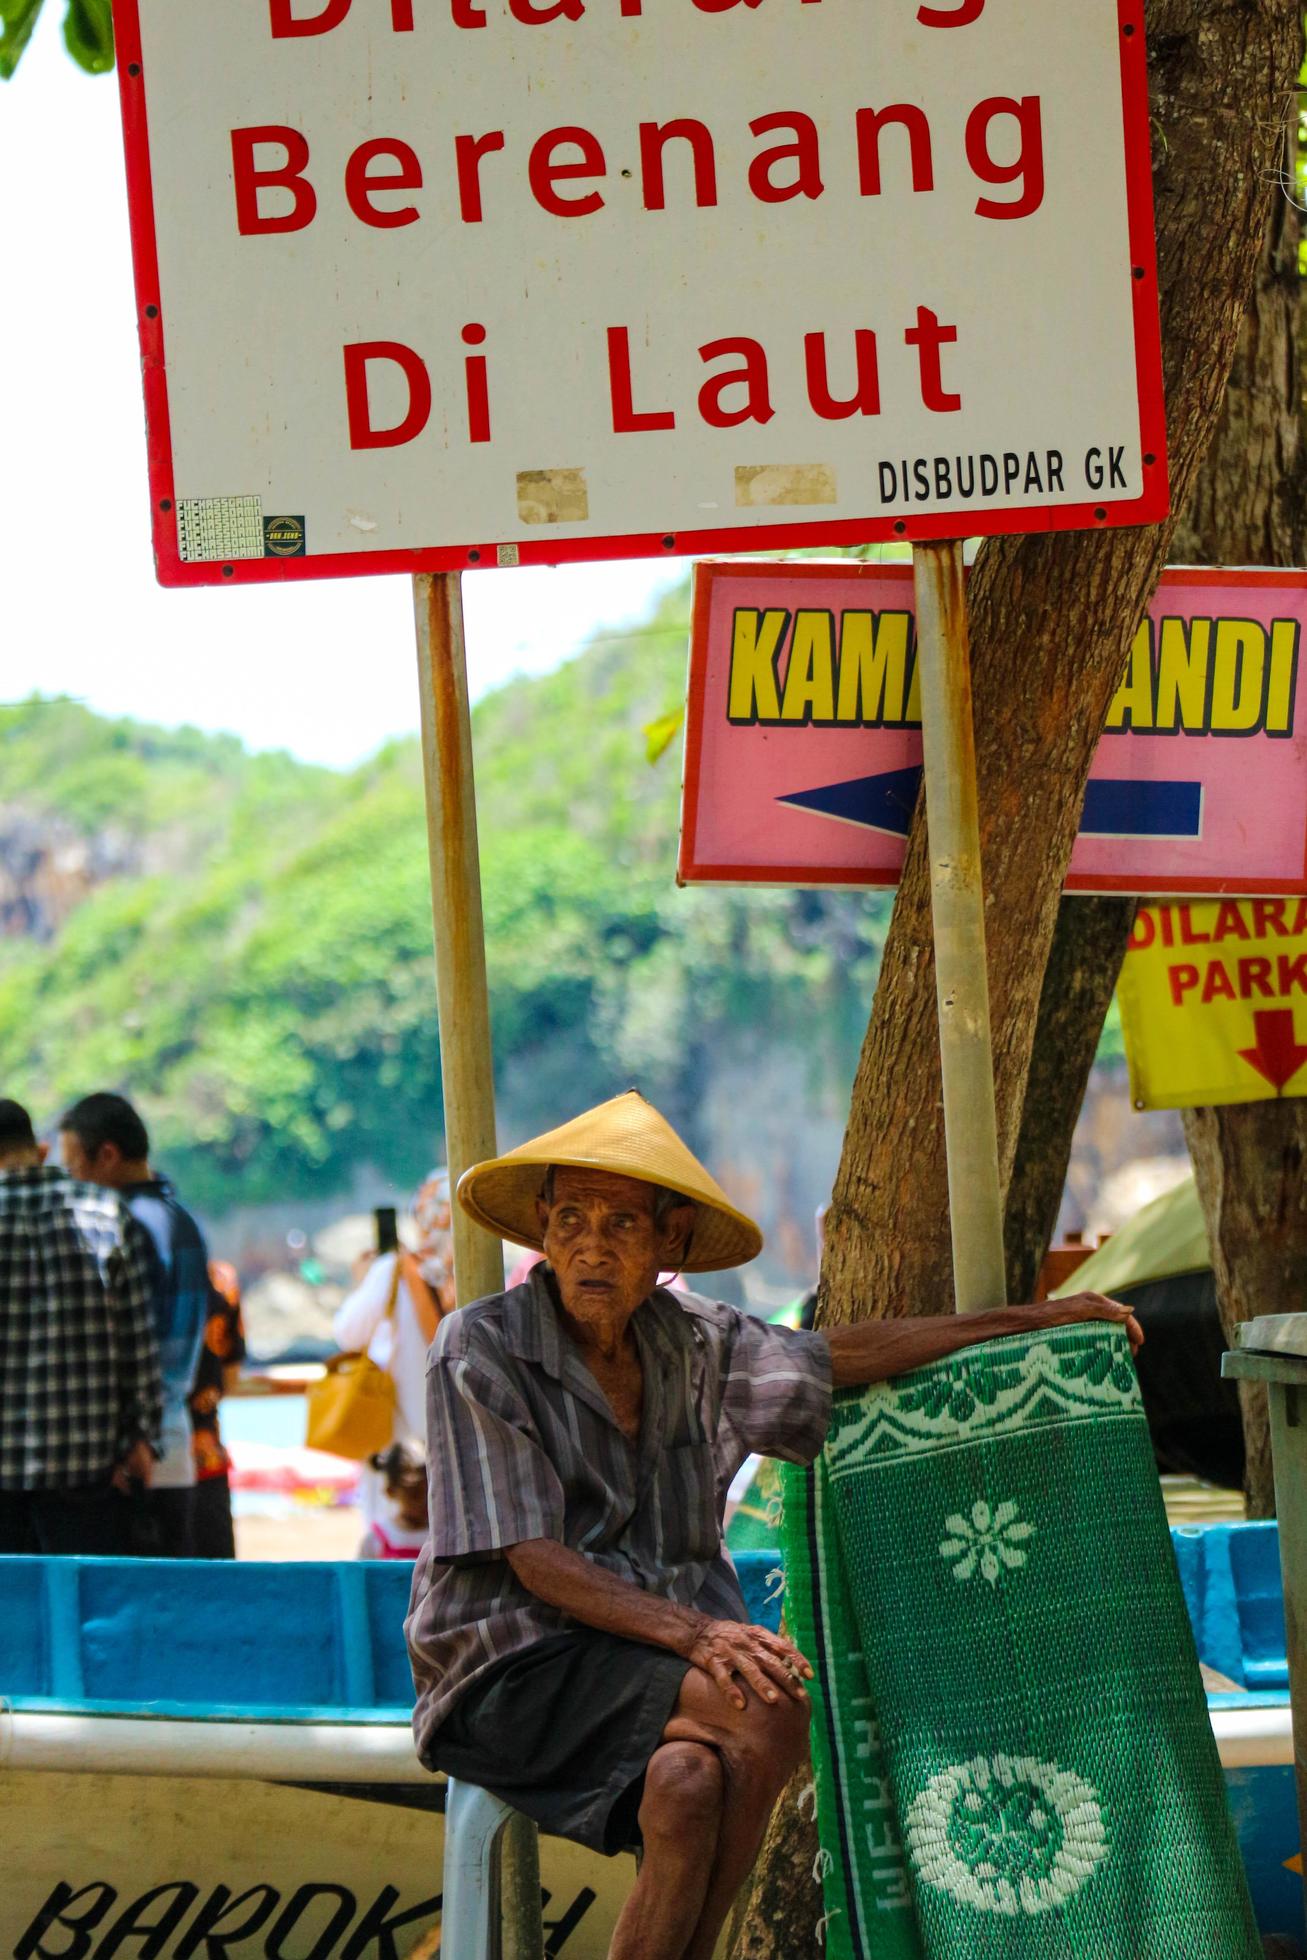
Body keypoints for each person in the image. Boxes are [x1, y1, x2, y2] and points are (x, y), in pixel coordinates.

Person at [406, 1090, 1144, 1960]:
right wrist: (699, 1632)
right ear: (540, 1228)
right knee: (767, 1703)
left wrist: (1028, 1319)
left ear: (670, 1244)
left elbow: (838, 1358)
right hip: (509, 1666)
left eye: (621, 1226)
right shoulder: (479, 1346)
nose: (591, 1248)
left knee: (686, 1784)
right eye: (570, 1218)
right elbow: (535, 1562)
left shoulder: (694, 1341)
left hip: (646, 1663)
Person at [0, 1097, 162, 1556]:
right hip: (89, 1469)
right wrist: (141, 1438)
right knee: (83, 1613)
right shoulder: (107, 1212)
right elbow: (139, 1342)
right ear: (41, 1149)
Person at [60, 1093, 210, 1558]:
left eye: (74, 1165)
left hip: (135, 1455)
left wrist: (130, 1438)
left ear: (107, 1155)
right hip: (176, 1443)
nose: (72, 1180)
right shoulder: (182, 1219)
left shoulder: (122, 1225)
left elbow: (131, 1343)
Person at [334, 1170, 453, 1552]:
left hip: (398, 1441)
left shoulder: (395, 1269)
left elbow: (347, 1333)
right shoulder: (474, 1273)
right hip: (452, 1442)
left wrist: (363, 1280)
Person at [188, 1259, 247, 1559]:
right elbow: (232, 1379)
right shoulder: (223, 1282)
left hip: (138, 1466)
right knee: (219, 1582)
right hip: (207, 1456)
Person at [359, 1442, 429, 1559]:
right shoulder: (376, 1540)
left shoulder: (441, 1538)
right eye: (414, 1494)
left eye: (429, 1493)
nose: (423, 1500)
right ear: (390, 1491)